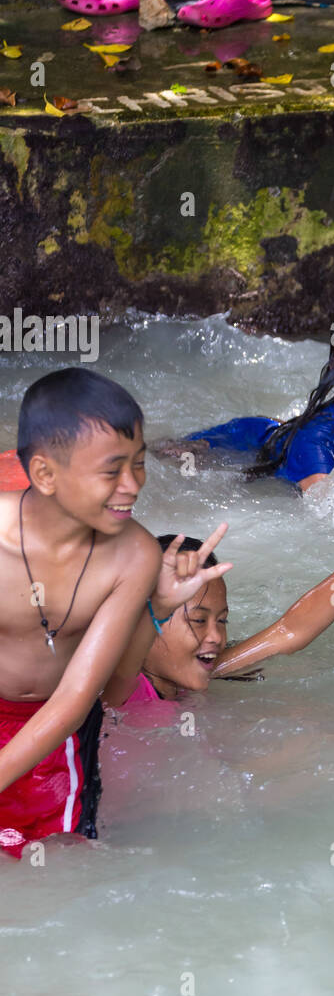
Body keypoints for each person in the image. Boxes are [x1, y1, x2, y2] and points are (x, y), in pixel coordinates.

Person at [0, 368, 162, 858]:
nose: (132, 485)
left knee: (51, 862)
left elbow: (79, 696)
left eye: (139, 463)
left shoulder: (137, 555)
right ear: (46, 474)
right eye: (112, 471)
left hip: (57, 733)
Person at [102, 485, 334, 708]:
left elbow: (289, 630)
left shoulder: (191, 673)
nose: (216, 636)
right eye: (199, 620)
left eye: (222, 620)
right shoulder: (118, 691)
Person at [159, 292, 334, 493]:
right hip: (238, 442)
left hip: (282, 434)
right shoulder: (315, 441)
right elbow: (327, 517)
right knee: (164, 454)